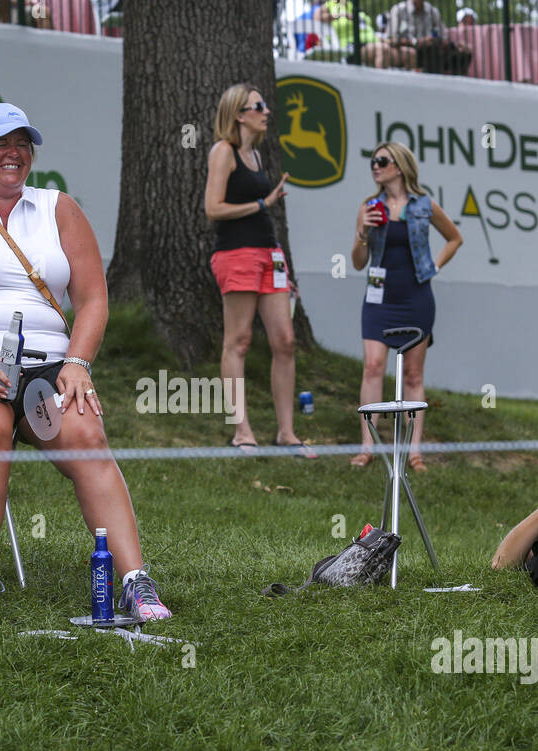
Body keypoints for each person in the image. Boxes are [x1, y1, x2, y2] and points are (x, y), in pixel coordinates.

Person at [0, 102, 170, 629]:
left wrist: (77, 361)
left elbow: (93, 299)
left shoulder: (57, 207)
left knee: (87, 434)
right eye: (0, 142)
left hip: (46, 368)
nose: (14, 153)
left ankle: (135, 580)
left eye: (23, 143)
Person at [204, 84, 314, 459]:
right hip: (236, 254)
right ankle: (243, 432)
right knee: (238, 341)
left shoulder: (256, 154)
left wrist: (280, 262)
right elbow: (213, 208)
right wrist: (262, 203)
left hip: (270, 256)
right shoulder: (224, 151)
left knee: (285, 340)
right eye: (258, 106)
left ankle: (286, 432)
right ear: (239, 113)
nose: (266, 111)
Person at [348, 142, 461, 472]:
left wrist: (434, 267)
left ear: (399, 166)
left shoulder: (424, 204)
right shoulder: (369, 206)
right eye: (373, 161)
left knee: (413, 374)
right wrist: (363, 232)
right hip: (378, 298)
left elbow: (454, 238)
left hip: (416, 297)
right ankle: (367, 446)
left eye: (382, 161)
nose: (375, 166)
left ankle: (414, 452)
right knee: (372, 366)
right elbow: (357, 262)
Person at [388, 0, 471, 75]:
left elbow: (443, 36)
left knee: (464, 54)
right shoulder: (398, 10)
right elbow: (391, 39)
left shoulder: (433, 11)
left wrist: (454, 45)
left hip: (433, 49)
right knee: (431, 52)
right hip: (411, 48)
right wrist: (416, 41)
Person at [314, 1, 400, 68]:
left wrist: (386, 40)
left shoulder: (353, 6)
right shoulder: (330, 5)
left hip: (374, 43)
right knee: (382, 49)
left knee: (408, 53)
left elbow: (367, 30)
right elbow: (317, 18)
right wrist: (342, 15)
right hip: (351, 48)